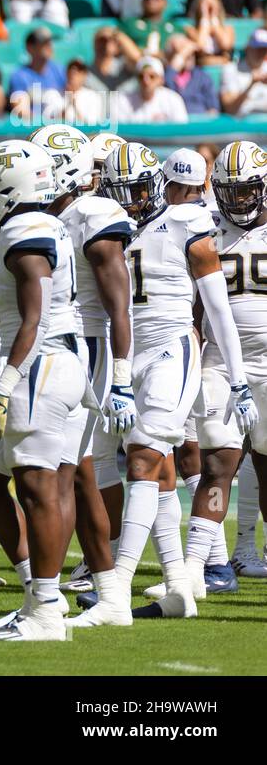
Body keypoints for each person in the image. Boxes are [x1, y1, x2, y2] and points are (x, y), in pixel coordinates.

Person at [100, 144, 257, 618]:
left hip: (173, 348)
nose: (131, 201)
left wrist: (238, 379)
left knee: (144, 462)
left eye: (138, 190)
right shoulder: (114, 229)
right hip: (129, 356)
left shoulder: (189, 223)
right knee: (161, 467)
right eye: (122, 193)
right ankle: (179, 588)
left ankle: (116, 589)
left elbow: (217, 309)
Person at [0, 140, 84, 641]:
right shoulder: (46, 223)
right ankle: (40, 593)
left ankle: (46, 613)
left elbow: (33, 317)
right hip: (54, 360)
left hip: (40, 364)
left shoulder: (25, 230)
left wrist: (4, 384)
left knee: (38, 488)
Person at [27, 124, 136, 628]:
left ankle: (60, 597)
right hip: (74, 347)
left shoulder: (92, 213)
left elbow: (119, 304)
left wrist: (119, 375)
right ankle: (106, 592)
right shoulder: (64, 214)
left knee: (67, 475)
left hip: (87, 348)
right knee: (81, 475)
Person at [184, 143, 267, 596]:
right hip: (221, 360)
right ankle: (197, 567)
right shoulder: (203, 227)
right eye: (229, 191)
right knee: (218, 463)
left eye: (247, 190)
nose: (238, 201)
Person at [116, 56, 188, 124]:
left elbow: (181, 131)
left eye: (152, 76)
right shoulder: (123, 100)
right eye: (141, 77)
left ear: (161, 80)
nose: (146, 81)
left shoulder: (173, 100)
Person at [221, 28, 267, 115]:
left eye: (264, 49)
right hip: (242, 126)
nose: (260, 53)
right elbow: (230, 109)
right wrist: (251, 84)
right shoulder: (231, 70)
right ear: (248, 48)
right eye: (257, 48)